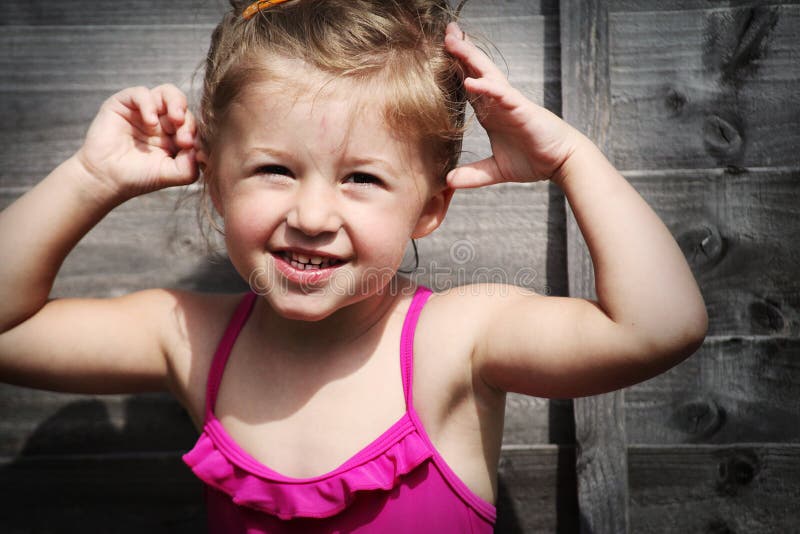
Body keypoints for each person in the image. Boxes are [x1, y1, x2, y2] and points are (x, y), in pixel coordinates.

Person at [0, 0, 708, 531]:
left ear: (430, 209)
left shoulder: (456, 341)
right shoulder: (190, 338)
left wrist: (570, 158)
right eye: (275, 169)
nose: (311, 215)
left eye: (361, 179)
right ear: (215, 183)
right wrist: (92, 178)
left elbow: (659, 327)